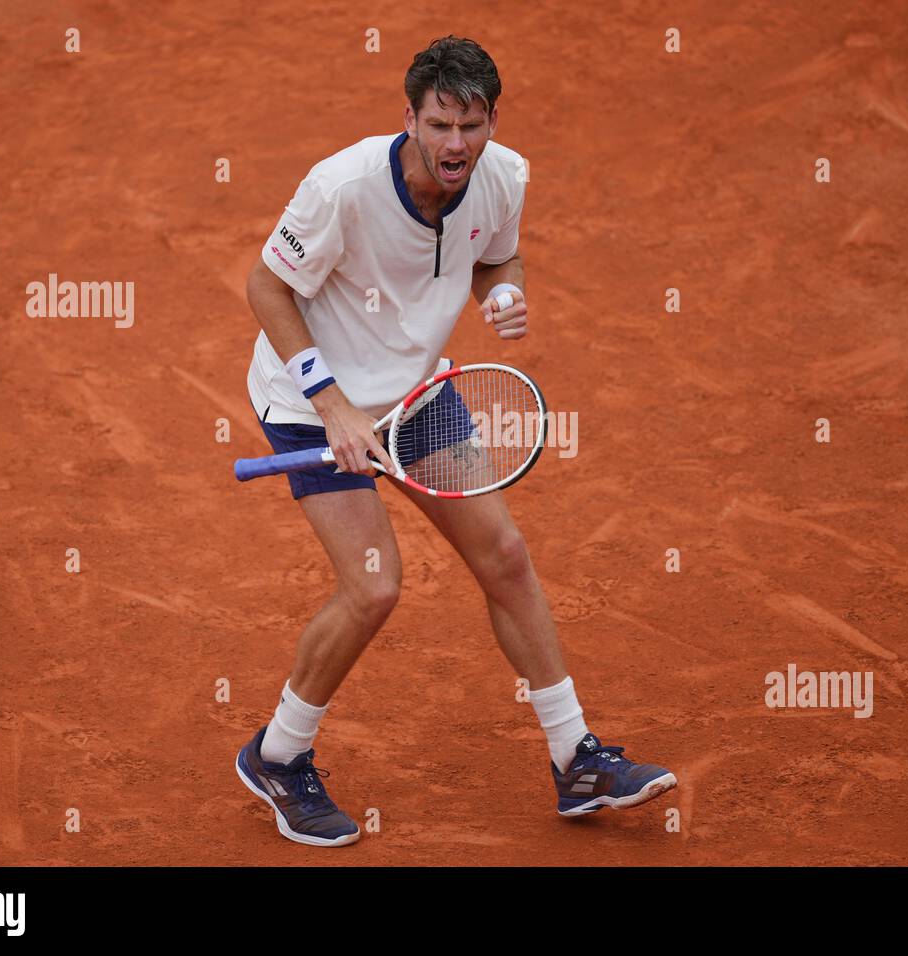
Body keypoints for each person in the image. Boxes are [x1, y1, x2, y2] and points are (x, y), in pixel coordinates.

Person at [235, 36, 676, 846]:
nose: (455, 145)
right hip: (311, 400)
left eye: (471, 126)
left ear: (491, 122)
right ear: (409, 117)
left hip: (416, 396)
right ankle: (277, 754)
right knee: (373, 587)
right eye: (439, 123)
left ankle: (574, 756)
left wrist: (506, 294)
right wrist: (332, 405)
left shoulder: (502, 177)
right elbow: (267, 284)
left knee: (504, 556)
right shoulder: (342, 188)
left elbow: (496, 260)